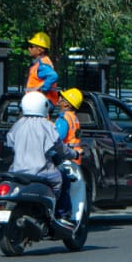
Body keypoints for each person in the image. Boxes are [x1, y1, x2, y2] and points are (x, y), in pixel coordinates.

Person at [6, 91, 70, 207]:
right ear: (44, 106)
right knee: (60, 180)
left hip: (17, 172)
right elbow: (60, 147)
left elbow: (10, 145)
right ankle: (57, 212)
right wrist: (73, 153)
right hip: (42, 173)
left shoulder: (17, 125)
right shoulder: (48, 126)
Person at [54, 87, 84, 219]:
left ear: (67, 103)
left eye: (62, 98)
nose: (59, 99)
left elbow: (56, 139)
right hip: (75, 161)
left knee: (62, 188)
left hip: (65, 159)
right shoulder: (74, 118)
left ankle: (63, 216)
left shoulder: (63, 119)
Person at [25, 31, 59, 103]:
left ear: (40, 50)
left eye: (31, 46)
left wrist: (43, 90)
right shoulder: (39, 63)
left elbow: (53, 76)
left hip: (41, 102)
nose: (29, 49)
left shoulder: (42, 64)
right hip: (38, 101)